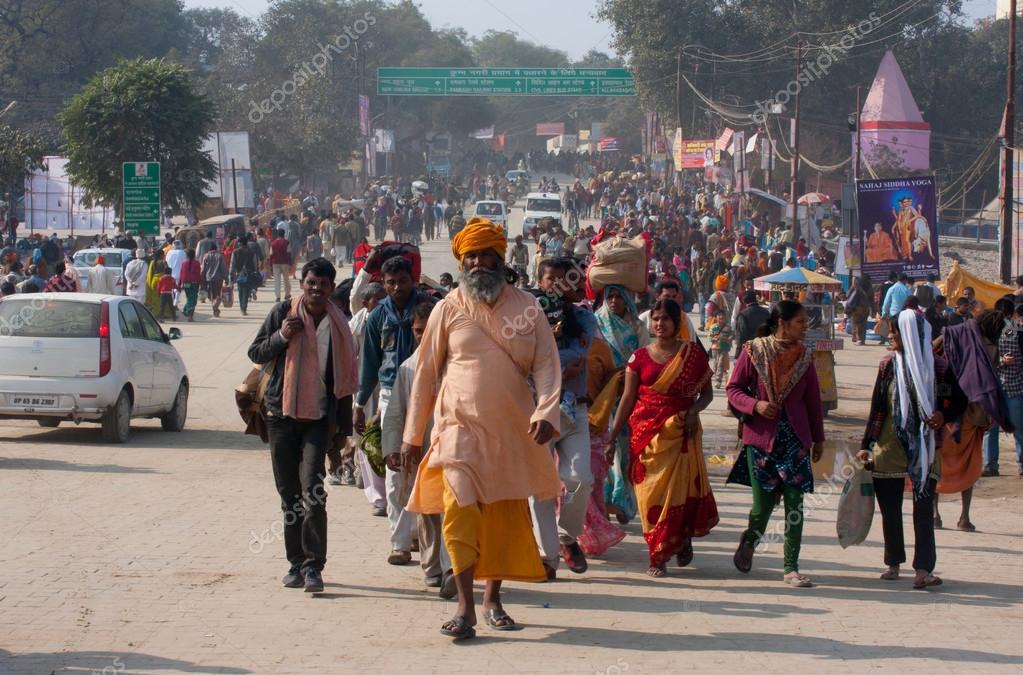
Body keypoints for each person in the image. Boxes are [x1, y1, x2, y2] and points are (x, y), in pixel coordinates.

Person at [400, 219, 561, 640]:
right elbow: (426, 373)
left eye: (485, 254)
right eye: (470, 256)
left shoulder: (528, 306)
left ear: (499, 258)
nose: (477, 262)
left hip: (511, 430)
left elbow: (547, 365)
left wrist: (547, 413)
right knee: (458, 512)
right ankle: (465, 607)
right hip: (457, 429)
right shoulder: (447, 308)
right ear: (462, 261)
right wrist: (412, 436)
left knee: (500, 517)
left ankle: (493, 599)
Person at [247, 258, 358, 593]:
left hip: (319, 420)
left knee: (313, 492)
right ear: (302, 283)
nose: (316, 289)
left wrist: (342, 432)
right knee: (289, 495)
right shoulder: (284, 313)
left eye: (323, 284)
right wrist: (282, 335)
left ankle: (313, 567)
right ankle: (295, 563)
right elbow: (256, 352)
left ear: (331, 288)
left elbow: (344, 383)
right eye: (311, 282)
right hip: (280, 415)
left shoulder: (340, 325)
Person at [608, 299, 718, 577]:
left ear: (676, 322)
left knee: (680, 492)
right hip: (645, 434)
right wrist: (611, 437)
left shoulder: (692, 355)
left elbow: (706, 394)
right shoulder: (638, 358)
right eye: (655, 318)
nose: (659, 324)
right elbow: (627, 399)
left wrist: (692, 412)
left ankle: (663, 553)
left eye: (665, 319)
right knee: (649, 495)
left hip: (681, 432)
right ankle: (659, 547)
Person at [858, 309, 967, 589]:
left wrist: (943, 415)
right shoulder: (888, 366)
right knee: (890, 507)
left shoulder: (939, 368)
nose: (890, 335)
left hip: (926, 447)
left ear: (911, 335)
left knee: (923, 509)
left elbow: (959, 402)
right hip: (888, 446)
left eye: (895, 331)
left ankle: (923, 570)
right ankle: (893, 562)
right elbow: (877, 408)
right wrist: (866, 445)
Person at [726, 300, 825, 588]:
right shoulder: (753, 351)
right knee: (763, 505)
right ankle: (751, 538)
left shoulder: (805, 357)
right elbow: (733, 389)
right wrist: (755, 405)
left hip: (795, 440)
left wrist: (818, 438)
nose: (805, 327)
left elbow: (813, 402)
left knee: (795, 503)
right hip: (761, 439)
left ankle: (791, 567)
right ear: (782, 323)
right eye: (800, 322)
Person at [355, 256, 431, 565]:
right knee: (394, 467)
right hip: (390, 397)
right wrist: (360, 404)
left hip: (427, 392)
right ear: (383, 285)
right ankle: (400, 543)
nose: (397, 287)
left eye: (402, 281)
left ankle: (420, 535)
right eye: (391, 283)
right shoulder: (377, 317)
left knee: (425, 466)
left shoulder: (430, 309)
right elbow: (369, 362)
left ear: (413, 280)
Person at [381, 300, 455, 597]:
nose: (423, 336)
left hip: (454, 449)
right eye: (418, 331)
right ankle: (433, 567)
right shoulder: (408, 368)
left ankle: (452, 568)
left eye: (428, 330)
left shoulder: (458, 366)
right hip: (420, 451)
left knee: (453, 508)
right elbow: (396, 413)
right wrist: (392, 448)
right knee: (428, 510)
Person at [531, 258, 597, 579]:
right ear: (540, 282)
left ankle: (567, 535)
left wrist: (547, 363)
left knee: (580, 478)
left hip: (574, 408)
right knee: (539, 487)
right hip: (537, 410)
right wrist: (557, 365)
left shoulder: (583, 318)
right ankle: (547, 557)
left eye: (566, 280)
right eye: (552, 280)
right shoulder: (528, 317)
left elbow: (580, 354)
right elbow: (523, 357)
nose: (560, 286)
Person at [935, 309, 1013, 529]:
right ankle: (964, 517)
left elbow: (931, 349)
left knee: (938, 461)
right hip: (974, 413)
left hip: (947, 410)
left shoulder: (954, 333)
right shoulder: (991, 345)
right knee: (970, 464)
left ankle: (935, 514)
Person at [595, 284, 649, 525]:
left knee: (625, 452)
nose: (614, 301)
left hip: (629, 396)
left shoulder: (637, 326)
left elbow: (645, 359)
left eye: (619, 296)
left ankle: (623, 501)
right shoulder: (596, 322)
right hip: (602, 396)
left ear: (627, 298)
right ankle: (604, 504)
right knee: (602, 452)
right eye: (610, 296)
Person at [983, 302, 1023, 477]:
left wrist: (1000, 360)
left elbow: (984, 359)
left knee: (991, 428)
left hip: (996, 387)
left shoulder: (991, 332)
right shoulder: (1015, 331)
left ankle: (990, 465)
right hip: (1013, 387)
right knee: (1018, 428)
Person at [734, 290, 770, 358]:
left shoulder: (743, 315)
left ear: (744, 301)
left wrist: (737, 354)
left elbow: (741, 336)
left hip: (750, 350)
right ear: (756, 299)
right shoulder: (766, 312)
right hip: (765, 348)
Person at [231, 234, 260, 317]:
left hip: (239, 274)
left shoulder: (235, 252)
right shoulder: (251, 252)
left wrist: (231, 275)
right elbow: (255, 263)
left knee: (240, 291)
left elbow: (232, 264)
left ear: (240, 243)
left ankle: (242, 307)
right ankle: (244, 308)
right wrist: (256, 271)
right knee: (247, 292)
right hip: (249, 274)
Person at [845, 276, 874, 345]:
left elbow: (848, 295)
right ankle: (861, 339)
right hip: (865, 308)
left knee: (856, 323)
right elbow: (872, 299)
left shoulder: (855, 287)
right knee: (862, 324)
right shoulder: (869, 287)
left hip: (856, 308)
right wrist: (872, 309)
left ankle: (857, 339)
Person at [200, 243, 227, 318]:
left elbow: (203, 269)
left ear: (210, 249)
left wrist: (202, 278)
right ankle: (215, 308)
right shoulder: (220, 256)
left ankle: (215, 309)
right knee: (217, 294)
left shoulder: (206, 256)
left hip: (208, 278)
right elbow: (223, 268)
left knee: (211, 295)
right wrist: (226, 278)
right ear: (216, 249)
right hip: (218, 278)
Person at [709, 309, 734, 388]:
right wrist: (715, 339)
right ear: (716, 317)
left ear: (725, 318)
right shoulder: (713, 327)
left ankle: (718, 381)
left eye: (722, 316)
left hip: (724, 347)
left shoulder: (728, 327)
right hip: (715, 347)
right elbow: (710, 337)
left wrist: (730, 338)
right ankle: (716, 375)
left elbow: (732, 335)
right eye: (719, 315)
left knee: (721, 363)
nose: (721, 317)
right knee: (716, 363)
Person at [179, 249, 202, 322]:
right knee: (193, 299)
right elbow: (198, 274)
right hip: (194, 283)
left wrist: (180, 283)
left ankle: (188, 313)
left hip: (186, 283)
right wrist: (200, 283)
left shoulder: (183, 263)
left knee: (189, 298)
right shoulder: (197, 263)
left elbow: (181, 273)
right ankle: (188, 313)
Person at [270, 229, 292, 302]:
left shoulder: (273, 243)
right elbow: (289, 253)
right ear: (284, 234)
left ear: (277, 234)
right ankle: (287, 294)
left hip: (275, 263)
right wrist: (290, 263)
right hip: (285, 263)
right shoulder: (287, 242)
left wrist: (270, 264)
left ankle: (278, 296)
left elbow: (271, 254)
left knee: (277, 280)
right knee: (286, 280)